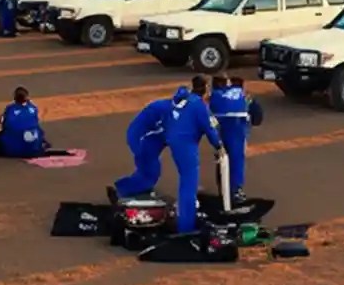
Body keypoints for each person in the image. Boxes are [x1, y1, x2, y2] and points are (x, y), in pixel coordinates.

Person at [166, 75, 223, 234]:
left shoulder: (185, 100)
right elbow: (209, 128)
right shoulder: (199, 105)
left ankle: (185, 219)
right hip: (186, 144)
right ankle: (186, 228)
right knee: (189, 185)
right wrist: (219, 146)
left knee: (187, 180)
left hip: (175, 140)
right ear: (205, 88)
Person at [109, 87, 185, 201]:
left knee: (146, 171)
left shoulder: (177, 112)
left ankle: (128, 188)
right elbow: (141, 129)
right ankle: (122, 191)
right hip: (142, 140)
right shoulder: (160, 109)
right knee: (151, 171)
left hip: (153, 140)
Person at [209, 75, 259, 203]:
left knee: (222, 159)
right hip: (238, 131)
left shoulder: (213, 96)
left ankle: (223, 191)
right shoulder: (244, 96)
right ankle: (236, 191)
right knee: (237, 160)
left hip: (220, 132)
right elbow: (258, 117)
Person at [0, 86, 48, 157]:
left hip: (12, 151)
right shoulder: (33, 108)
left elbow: (3, 122)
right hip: (35, 149)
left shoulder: (10, 108)